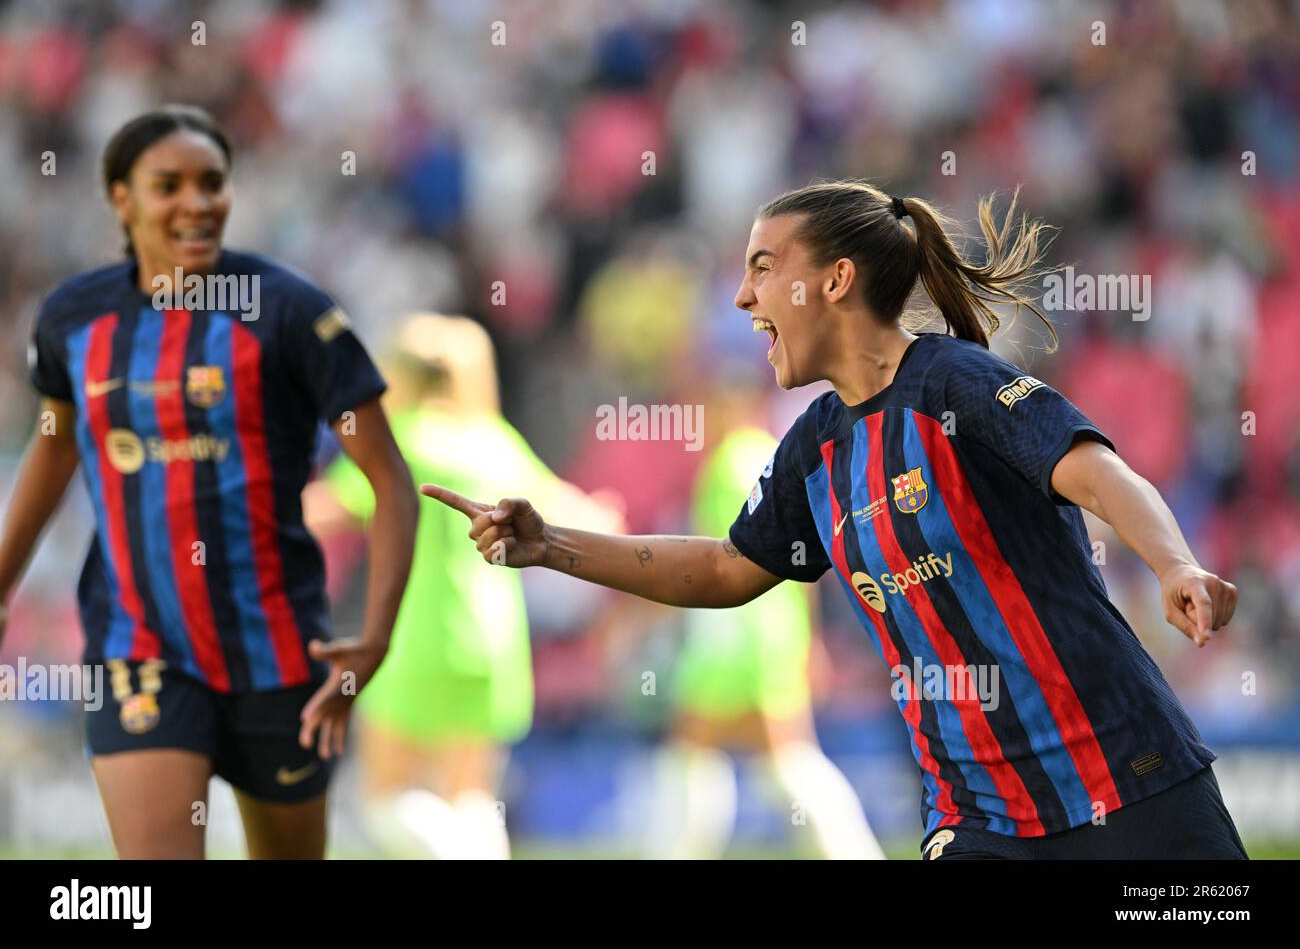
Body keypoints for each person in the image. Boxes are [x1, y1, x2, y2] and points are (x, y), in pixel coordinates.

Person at [423, 180, 1247, 860]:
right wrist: (549, 546)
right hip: (979, 818)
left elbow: (1098, 473)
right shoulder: (815, 448)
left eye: (762, 267)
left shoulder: (957, 388)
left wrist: (1173, 565)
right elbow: (722, 569)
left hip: (1128, 775)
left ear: (836, 281)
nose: (744, 296)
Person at [0, 106, 418, 859]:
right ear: (121, 199)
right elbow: (56, 446)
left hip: (282, 654)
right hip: (138, 646)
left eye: (212, 183)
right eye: (169, 185)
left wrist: (375, 639)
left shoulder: (290, 313)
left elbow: (390, 480)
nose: (197, 203)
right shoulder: (74, 319)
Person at [305, 312, 621, 859]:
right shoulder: (491, 440)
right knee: (472, 800)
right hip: (493, 645)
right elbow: (574, 515)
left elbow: (325, 512)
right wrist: (608, 515)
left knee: (382, 799)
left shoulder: (399, 440)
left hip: (413, 642)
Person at [646, 384, 885, 859]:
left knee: (707, 753)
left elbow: (714, 562)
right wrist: (809, 640)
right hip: (774, 635)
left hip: (731, 638)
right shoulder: (774, 455)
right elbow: (802, 562)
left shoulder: (727, 464)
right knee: (769, 756)